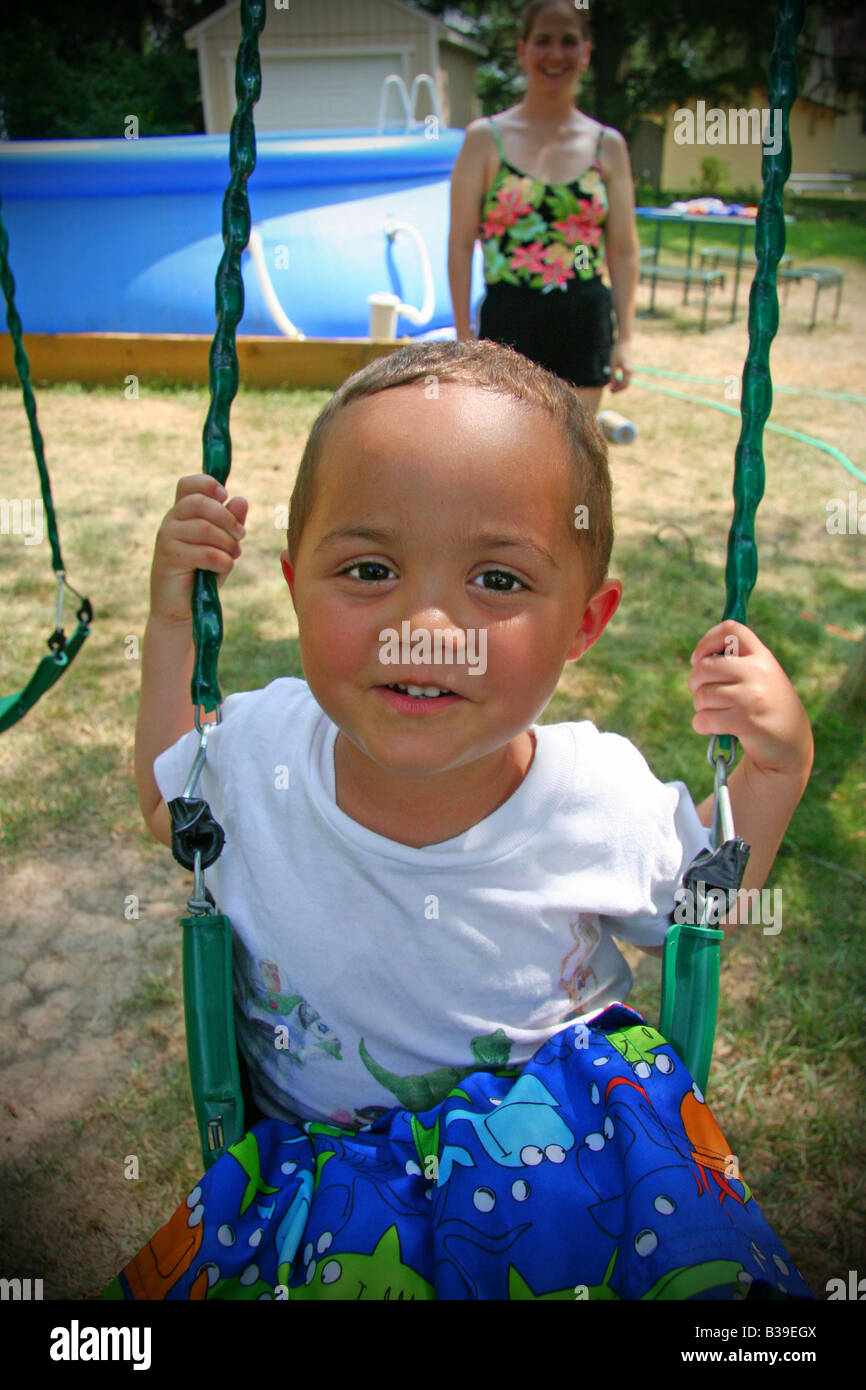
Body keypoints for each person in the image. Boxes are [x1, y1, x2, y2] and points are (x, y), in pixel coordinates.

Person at [116, 340, 814, 1301]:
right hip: (327, 1192)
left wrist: (774, 770)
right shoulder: (256, 751)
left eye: (497, 581)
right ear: (290, 583)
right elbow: (167, 803)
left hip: (564, 1179)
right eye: (368, 569)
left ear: (584, 622)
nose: (426, 627)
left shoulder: (595, 796)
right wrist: (168, 627)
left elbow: (706, 908)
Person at [448, 0, 640, 416]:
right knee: (503, 458)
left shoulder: (607, 146)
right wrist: (464, 336)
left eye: (569, 42)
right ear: (523, 51)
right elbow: (461, 244)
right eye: (543, 41)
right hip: (508, 324)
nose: (556, 54)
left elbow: (623, 250)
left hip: (584, 320)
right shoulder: (484, 140)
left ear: (586, 53)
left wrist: (625, 338)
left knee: (578, 464)